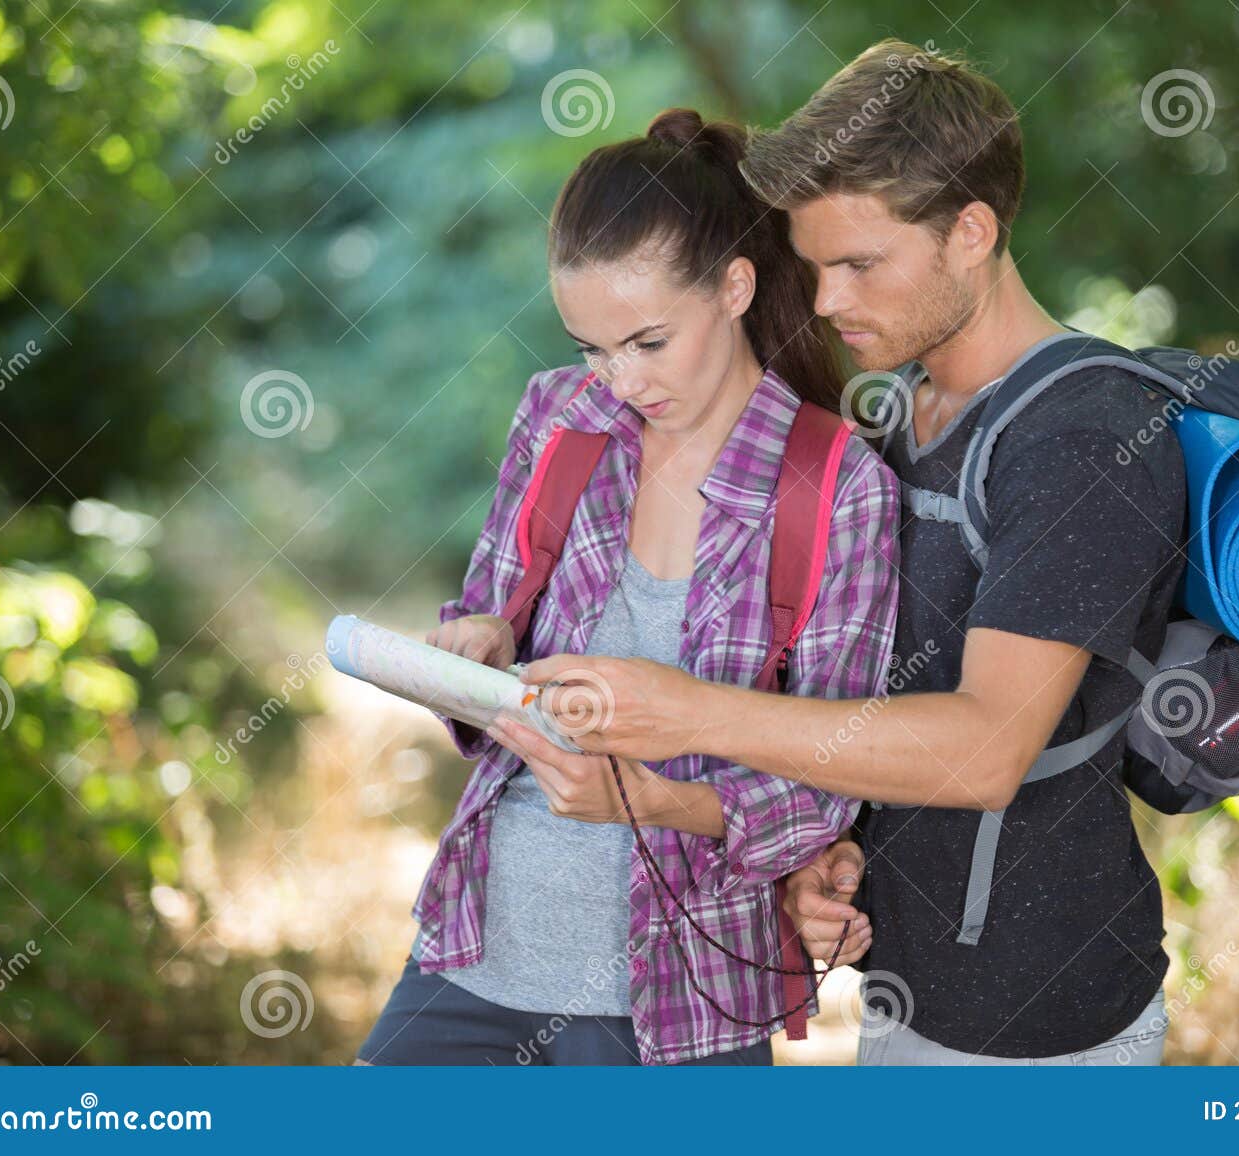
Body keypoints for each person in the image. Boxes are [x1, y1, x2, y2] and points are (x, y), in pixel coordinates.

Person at [524, 42, 1185, 1065]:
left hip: (1045, 1024)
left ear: (971, 233)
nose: (826, 301)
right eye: (814, 265)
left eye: (860, 265)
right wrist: (830, 856)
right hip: (907, 996)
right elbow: (864, 706)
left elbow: (985, 749)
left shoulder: (1084, 434)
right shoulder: (892, 418)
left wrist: (685, 710)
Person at [355, 107, 900, 1066]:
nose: (618, 380)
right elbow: (489, 635)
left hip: (682, 1001)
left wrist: (652, 802)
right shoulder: (558, 417)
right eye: (591, 347)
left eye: (648, 342)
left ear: (735, 287)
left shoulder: (838, 487)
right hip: (475, 950)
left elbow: (833, 775)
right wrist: (480, 644)